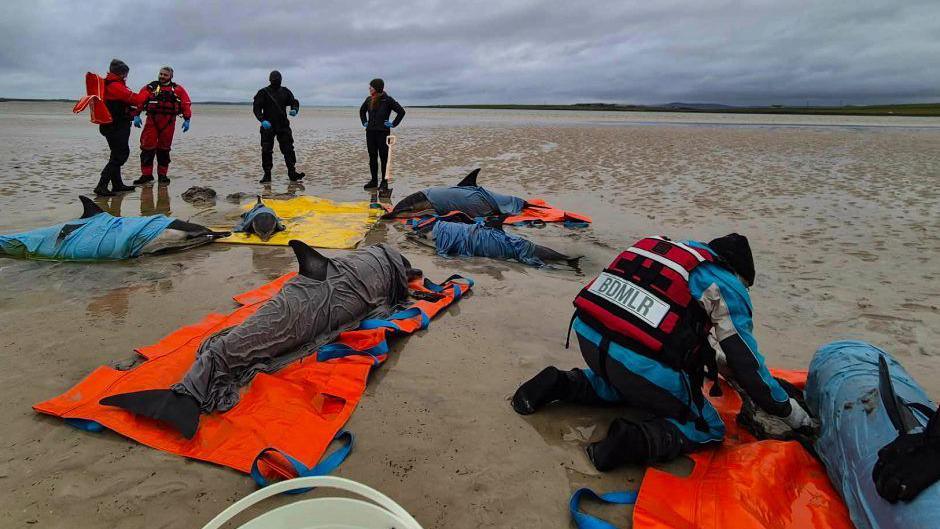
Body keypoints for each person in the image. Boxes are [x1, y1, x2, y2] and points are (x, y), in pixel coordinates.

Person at [511, 234, 815, 470]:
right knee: (708, 427)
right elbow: (746, 362)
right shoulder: (725, 284)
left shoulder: (663, 251)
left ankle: (559, 382)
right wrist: (789, 411)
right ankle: (629, 442)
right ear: (739, 275)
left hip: (589, 339)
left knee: (619, 384)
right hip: (635, 363)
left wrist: (717, 363)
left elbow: (667, 322)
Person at [95, 59, 149, 197]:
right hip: (116, 126)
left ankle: (117, 185)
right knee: (121, 155)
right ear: (122, 73)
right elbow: (136, 99)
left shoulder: (112, 84)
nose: (126, 76)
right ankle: (101, 185)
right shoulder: (115, 86)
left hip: (112, 125)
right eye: (126, 73)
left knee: (116, 154)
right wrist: (147, 91)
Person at [132, 66, 192, 185]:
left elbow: (186, 103)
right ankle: (146, 175)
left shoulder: (178, 89)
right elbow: (139, 100)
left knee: (164, 150)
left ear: (171, 76)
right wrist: (136, 115)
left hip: (169, 122)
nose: (162, 76)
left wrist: (187, 119)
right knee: (147, 149)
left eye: (165, 75)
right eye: (161, 74)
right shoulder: (150, 87)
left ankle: (162, 175)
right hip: (152, 121)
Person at [252, 71, 304, 184]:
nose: (276, 80)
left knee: (288, 149)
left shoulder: (285, 91)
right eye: (274, 78)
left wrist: (295, 109)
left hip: (283, 125)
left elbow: (294, 102)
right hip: (268, 127)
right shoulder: (263, 92)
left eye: (278, 78)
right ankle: (267, 174)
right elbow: (256, 108)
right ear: (270, 79)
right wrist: (262, 120)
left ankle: (292, 173)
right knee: (266, 150)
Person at [359, 78, 405, 189]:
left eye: (371, 86)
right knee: (372, 157)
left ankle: (384, 183)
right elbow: (362, 111)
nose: (369, 88)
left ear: (377, 87)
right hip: (370, 133)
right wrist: (364, 122)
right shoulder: (368, 99)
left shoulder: (387, 100)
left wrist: (393, 124)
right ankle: (374, 181)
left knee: (384, 157)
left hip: (383, 133)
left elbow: (401, 112)